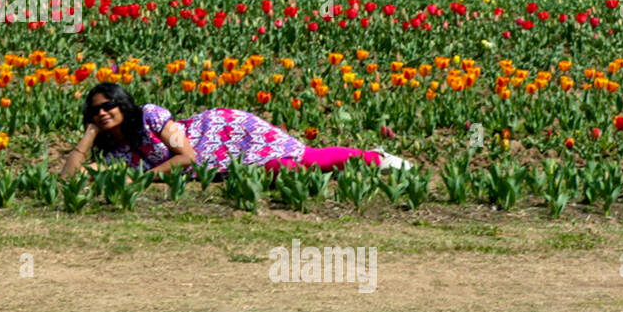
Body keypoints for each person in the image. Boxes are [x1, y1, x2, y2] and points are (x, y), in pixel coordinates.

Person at [61, 83, 411, 182]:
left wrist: (145, 178)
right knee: (281, 172)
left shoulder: (151, 117)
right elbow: (68, 177)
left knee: (302, 157)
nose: (103, 112)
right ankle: (357, 169)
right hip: (216, 168)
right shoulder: (115, 153)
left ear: (124, 105)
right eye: (95, 110)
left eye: (109, 106)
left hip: (223, 133)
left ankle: (376, 158)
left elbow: (187, 156)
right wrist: (89, 134)